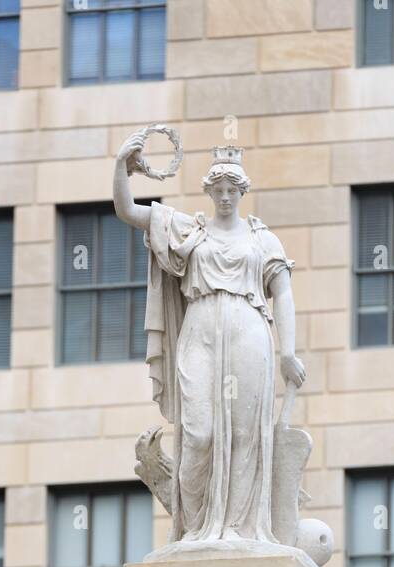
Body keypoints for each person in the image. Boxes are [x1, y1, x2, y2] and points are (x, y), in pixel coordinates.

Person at [113, 135, 306, 546]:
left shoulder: (262, 240)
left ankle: (238, 528)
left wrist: (287, 352)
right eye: (217, 190)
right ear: (208, 192)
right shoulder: (190, 231)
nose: (223, 197)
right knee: (198, 432)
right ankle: (196, 529)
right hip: (199, 335)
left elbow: (284, 292)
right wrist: (121, 169)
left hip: (250, 336)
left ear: (241, 192)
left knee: (242, 434)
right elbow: (128, 211)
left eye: (231, 191)